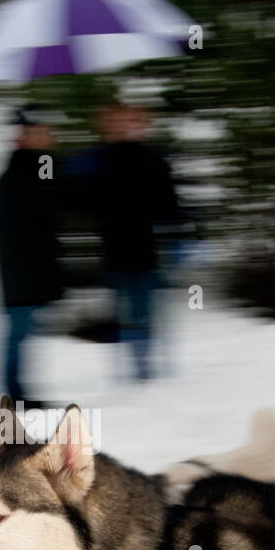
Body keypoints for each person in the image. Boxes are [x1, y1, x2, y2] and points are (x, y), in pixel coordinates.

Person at [89, 104, 181, 382]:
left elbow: (171, 200)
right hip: (115, 246)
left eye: (131, 122)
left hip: (146, 246)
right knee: (121, 309)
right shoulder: (99, 160)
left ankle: (143, 363)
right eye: (117, 122)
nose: (125, 127)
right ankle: (128, 362)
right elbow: (86, 200)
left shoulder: (154, 158)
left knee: (144, 307)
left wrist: (177, 235)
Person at [0, 107, 64, 408]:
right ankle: (14, 395)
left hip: (25, 268)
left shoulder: (33, 167)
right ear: (23, 136)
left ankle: (16, 392)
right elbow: (26, 222)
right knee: (17, 332)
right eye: (41, 131)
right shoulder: (20, 172)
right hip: (22, 269)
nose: (49, 137)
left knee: (19, 332)